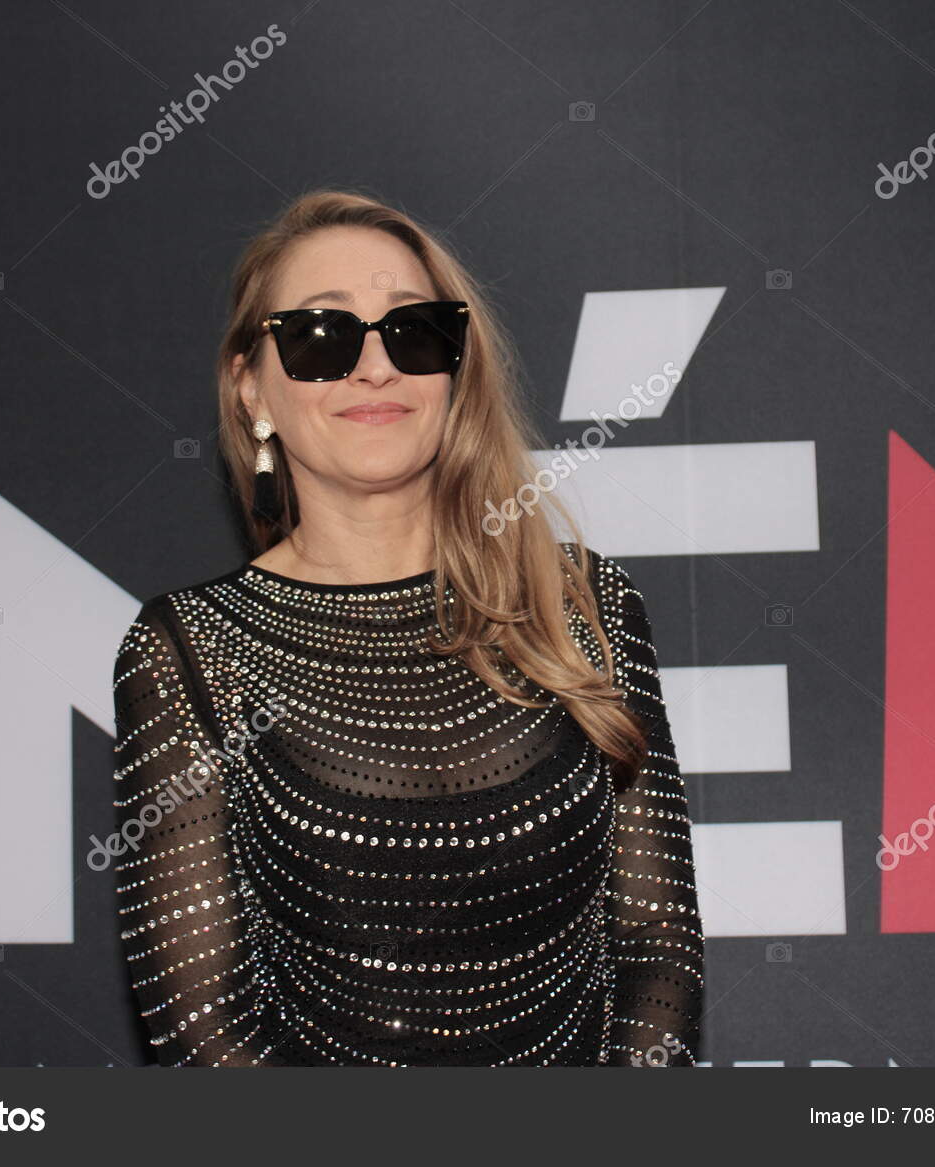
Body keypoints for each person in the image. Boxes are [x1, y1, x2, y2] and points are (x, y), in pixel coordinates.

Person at [111, 190, 703, 1066]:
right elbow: (204, 1031)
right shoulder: (193, 649)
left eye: (414, 330)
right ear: (251, 388)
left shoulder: (583, 603)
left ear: (454, 371)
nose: (376, 367)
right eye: (322, 335)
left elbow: (660, 949)